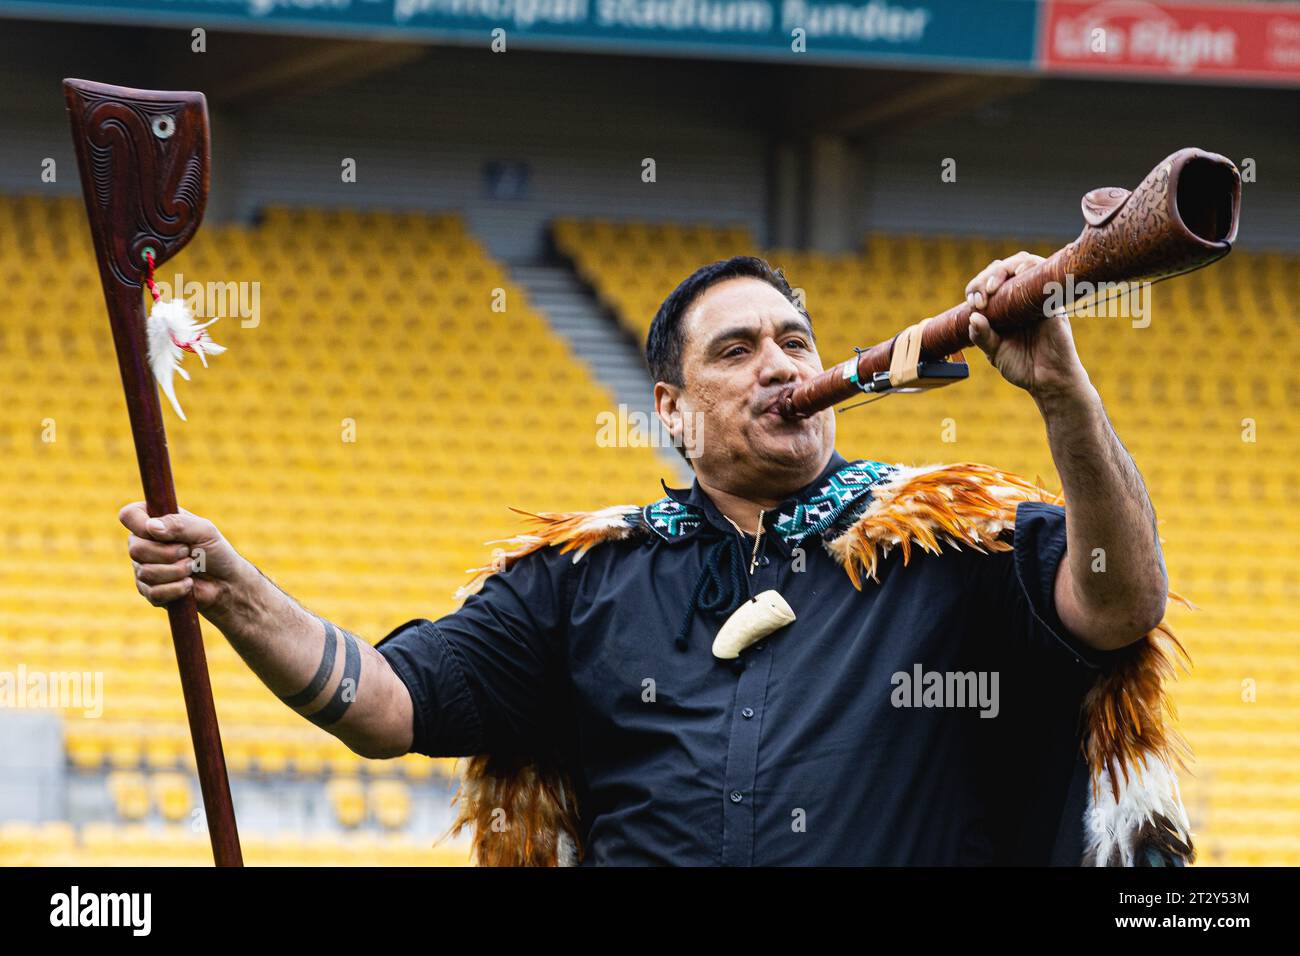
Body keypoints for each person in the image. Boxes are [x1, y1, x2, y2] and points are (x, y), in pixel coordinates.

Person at [121, 252, 1193, 866]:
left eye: (794, 342)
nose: (777, 363)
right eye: (736, 350)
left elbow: (1119, 606)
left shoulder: (949, 535)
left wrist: (1062, 389)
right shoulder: (578, 579)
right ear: (674, 413)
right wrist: (233, 590)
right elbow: (390, 702)